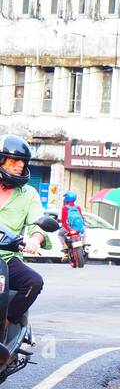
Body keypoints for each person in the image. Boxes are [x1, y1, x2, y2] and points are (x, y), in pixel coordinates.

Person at [0, 135, 46, 336]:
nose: (20, 165)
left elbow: (39, 224)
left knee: (34, 282)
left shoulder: (29, 194)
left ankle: (6, 325)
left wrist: (36, 239)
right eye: (14, 160)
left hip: (8, 259)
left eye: (23, 162)